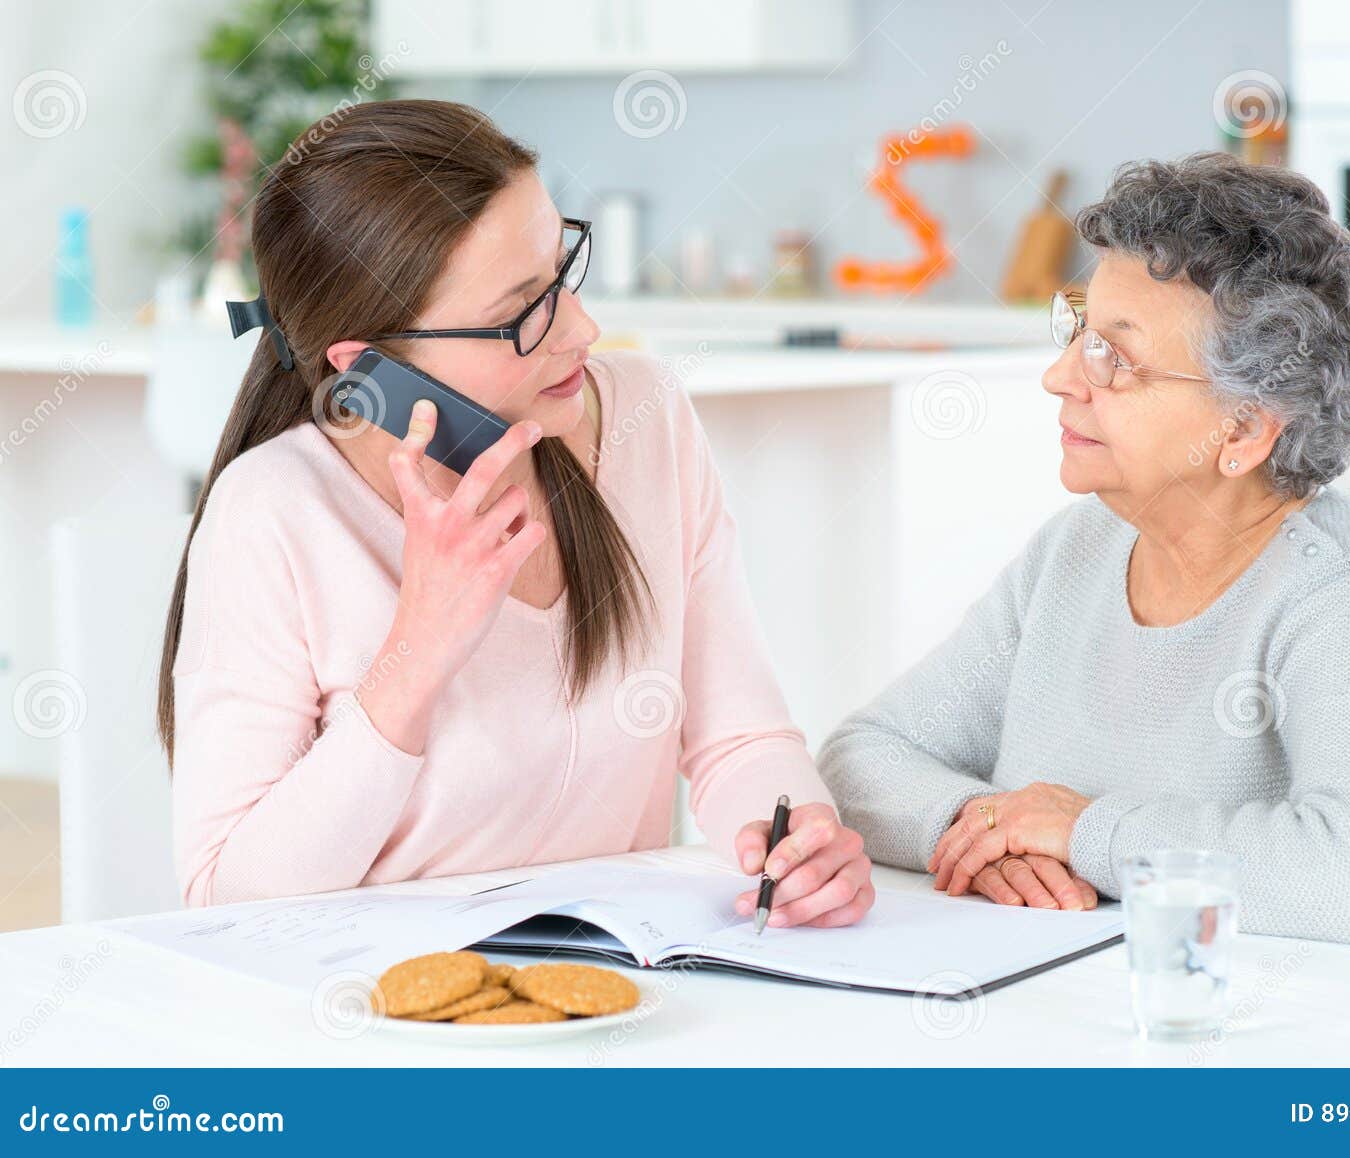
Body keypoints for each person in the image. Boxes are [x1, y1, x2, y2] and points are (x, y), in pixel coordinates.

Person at [162, 100, 872, 932]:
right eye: (524, 311)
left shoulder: (647, 421)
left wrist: (794, 841)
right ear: (370, 369)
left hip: (610, 1005)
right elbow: (226, 902)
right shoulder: (275, 512)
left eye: (563, 274)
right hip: (372, 1020)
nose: (583, 327)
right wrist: (415, 658)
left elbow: (740, 741)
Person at [818, 152, 1350, 953]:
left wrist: (1087, 832)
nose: (1060, 377)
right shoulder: (1075, 553)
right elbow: (862, 757)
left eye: (1115, 356)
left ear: (1243, 429)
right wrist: (980, 828)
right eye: (1078, 331)